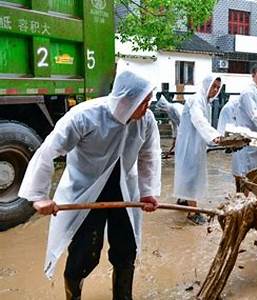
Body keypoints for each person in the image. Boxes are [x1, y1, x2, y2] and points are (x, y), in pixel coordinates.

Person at [18, 71, 161, 300]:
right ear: (126, 100)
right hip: (86, 192)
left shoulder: (146, 120)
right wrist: (39, 196)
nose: (146, 108)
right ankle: (73, 295)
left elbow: (149, 156)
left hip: (124, 193)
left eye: (148, 102)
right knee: (84, 254)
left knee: (126, 251)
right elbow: (47, 151)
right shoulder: (85, 116)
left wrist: (147, 193)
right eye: (143, 102)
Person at [173, 75, 223, 225]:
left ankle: (183, 199)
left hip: (195, 143)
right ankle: (193, 212)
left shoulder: (206, 102)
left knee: (188, 172)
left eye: (217, 88)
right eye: (213, 86)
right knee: (192, 175)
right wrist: (214, 135)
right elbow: (199, 120)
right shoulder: (196, 100)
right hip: (189, 144)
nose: (215, 90)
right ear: (206, 85)